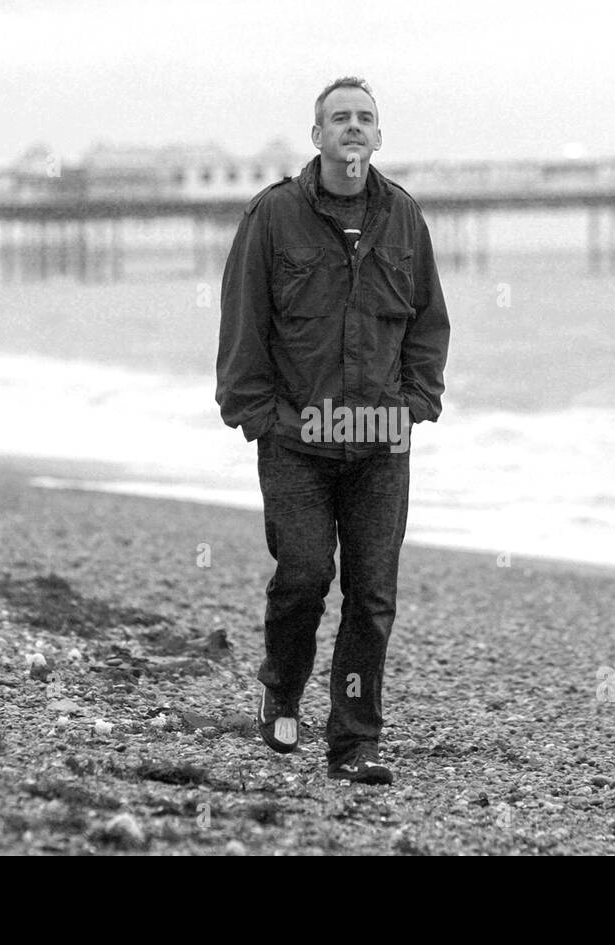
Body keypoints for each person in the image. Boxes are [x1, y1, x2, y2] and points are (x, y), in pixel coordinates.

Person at [216, 76, 450, 785]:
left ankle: (354, 742)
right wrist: (254, 414)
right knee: (306, 575)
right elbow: (244, 320)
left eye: (365, 119)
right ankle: (282, 689)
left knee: (373, 595)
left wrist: (415, 401)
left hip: (380, 444)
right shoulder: (273, 217)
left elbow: (428, 322)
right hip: (297, 440)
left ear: (378, 137)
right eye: (339, 118)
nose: (353, 128)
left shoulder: (403, 218)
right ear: (316, 136)